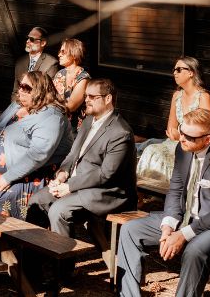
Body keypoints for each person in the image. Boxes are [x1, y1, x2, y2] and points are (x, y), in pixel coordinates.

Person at [117, 108, 210, 297]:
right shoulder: (183, 149)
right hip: (186, 218)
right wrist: (168, 225)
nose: (182, 138)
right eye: (181, 131)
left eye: (189, 136)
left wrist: (183, 235)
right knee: (131, 230)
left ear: (208, 139)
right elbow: (175, 190)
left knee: (195, 250)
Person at [27, 78, 137, 242]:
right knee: (37, 201)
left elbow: (106, 174)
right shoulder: (87, 121)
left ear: (108, 99)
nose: (86, 100)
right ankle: (36, 262)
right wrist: (62, 174)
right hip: (79, 185)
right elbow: (73, 155)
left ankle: (63, 266)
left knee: (59, 211)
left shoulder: (120, 132)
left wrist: (70, 186)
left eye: (92, 97)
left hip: (107, 192)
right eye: (86, 96)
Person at [0, 70, 72, 218]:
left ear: (40, 91)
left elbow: (38, 154)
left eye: (26, 88)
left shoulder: (52, 116)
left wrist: (8, 177)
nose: (20, 90)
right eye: (20, 85)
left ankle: (7, 239)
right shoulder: (16, 105)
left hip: (28, 176)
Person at [137, 56, 210, 182]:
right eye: (174, 69)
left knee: (157, 153)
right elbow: (171, 128)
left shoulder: (203, 97)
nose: (174, 73)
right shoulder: (177, 95)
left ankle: (168, 193)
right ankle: (148, 191)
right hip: (175, 141)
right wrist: (176, 135)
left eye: (179, 70)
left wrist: (180, 136)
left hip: (195, 143)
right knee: (150, 150)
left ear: (191, 72)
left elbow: (207, 128)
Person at [53, 38, 91, 128]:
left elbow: (71, 107)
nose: (59, 55)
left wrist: (49, 104)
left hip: (73, 127)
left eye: (63, 52)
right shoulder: (60, 74)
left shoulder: (83, 78)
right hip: (57, 121)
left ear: (74, 54)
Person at [12, 26, 60, 95]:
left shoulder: (51, 63)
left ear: (43, 43)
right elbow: (15, 91)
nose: (27, 41)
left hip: (38, 104)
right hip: (18, 101)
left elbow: (47, 93)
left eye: (32, 39)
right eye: (28, 38)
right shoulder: (20, 62)